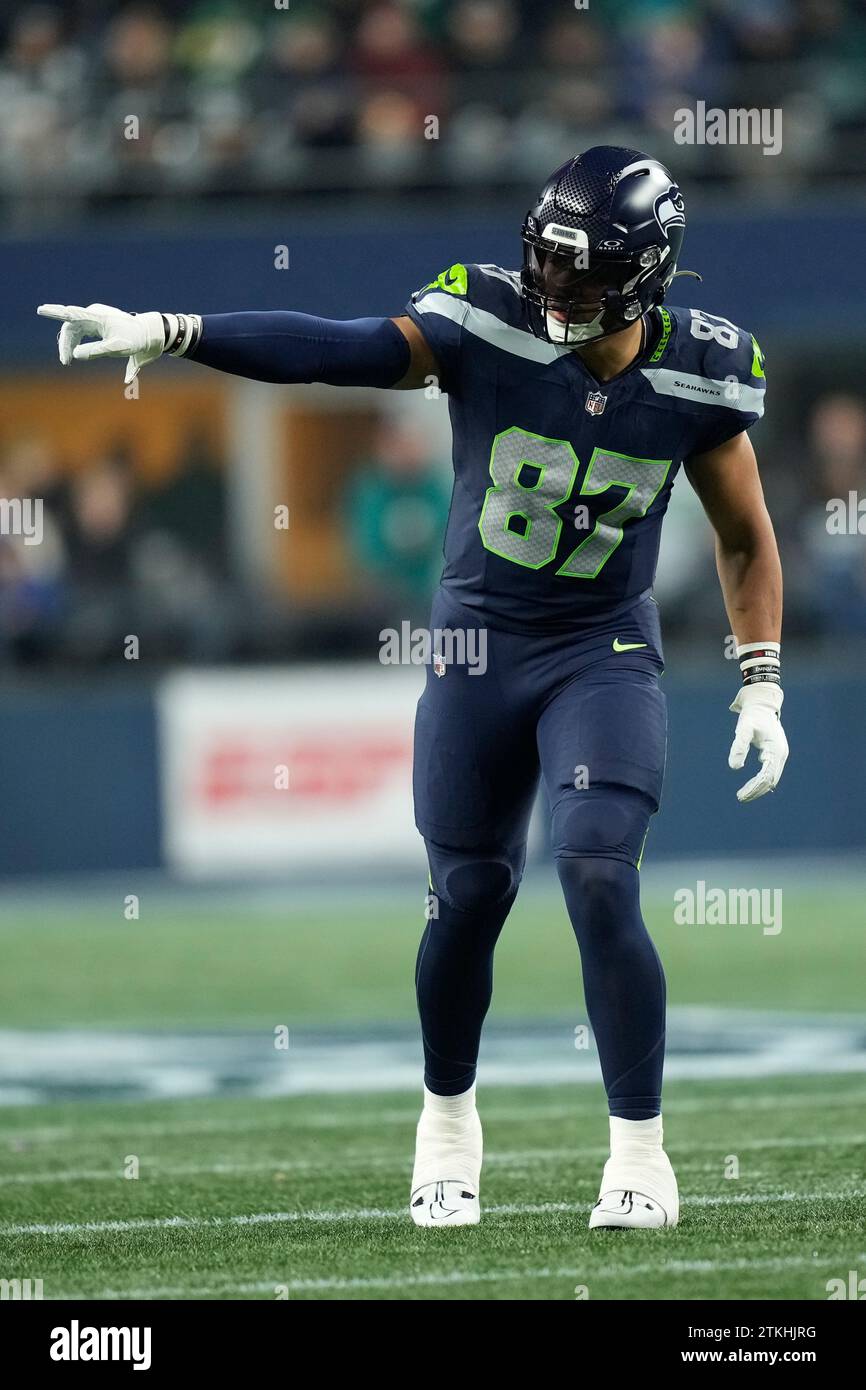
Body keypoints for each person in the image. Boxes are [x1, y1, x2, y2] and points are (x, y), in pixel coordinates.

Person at [38, 145, 788, 1231]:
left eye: (578, 271)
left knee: (596, 874)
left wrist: (760, 680)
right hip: (480, 643)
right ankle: (446, 1123)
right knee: (468, 896)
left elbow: (744, 535)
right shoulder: (487, 320)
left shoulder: (702, 369)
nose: (550, 288)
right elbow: (336, 349)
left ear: (644, 276)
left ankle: (639, 1154)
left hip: (600, 648)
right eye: (544, 260)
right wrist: (177, 330)